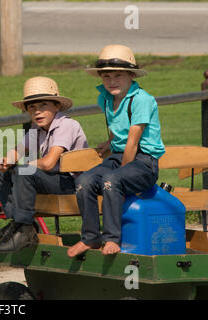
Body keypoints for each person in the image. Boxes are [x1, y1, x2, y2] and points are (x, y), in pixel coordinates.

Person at [67, 44, 165, 257]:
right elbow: (117, 127)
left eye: (118, 75)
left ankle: (112, 238)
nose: (112, 81)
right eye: (107, 76)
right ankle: (90, 237)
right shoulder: (104, 98)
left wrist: (119, 175)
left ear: (131, 75)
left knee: (111, 180)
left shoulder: (142, 100)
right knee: (83, 181)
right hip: (118, 157)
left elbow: (132, 142)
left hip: (143, 162)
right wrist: (109, 143)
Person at [0, 76, 89, 253]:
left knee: (24, 171)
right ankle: (18, 224)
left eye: (43, 105)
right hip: (53, 179)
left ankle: (25, 230)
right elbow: (19, 150)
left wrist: (23, 166)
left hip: (72, 183)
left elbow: (50, 162)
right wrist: (6, 161)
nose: (37, 112)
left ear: (56, 106)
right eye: (32, 107)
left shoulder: (66, 125)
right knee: (1, 173)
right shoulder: (37, 129)